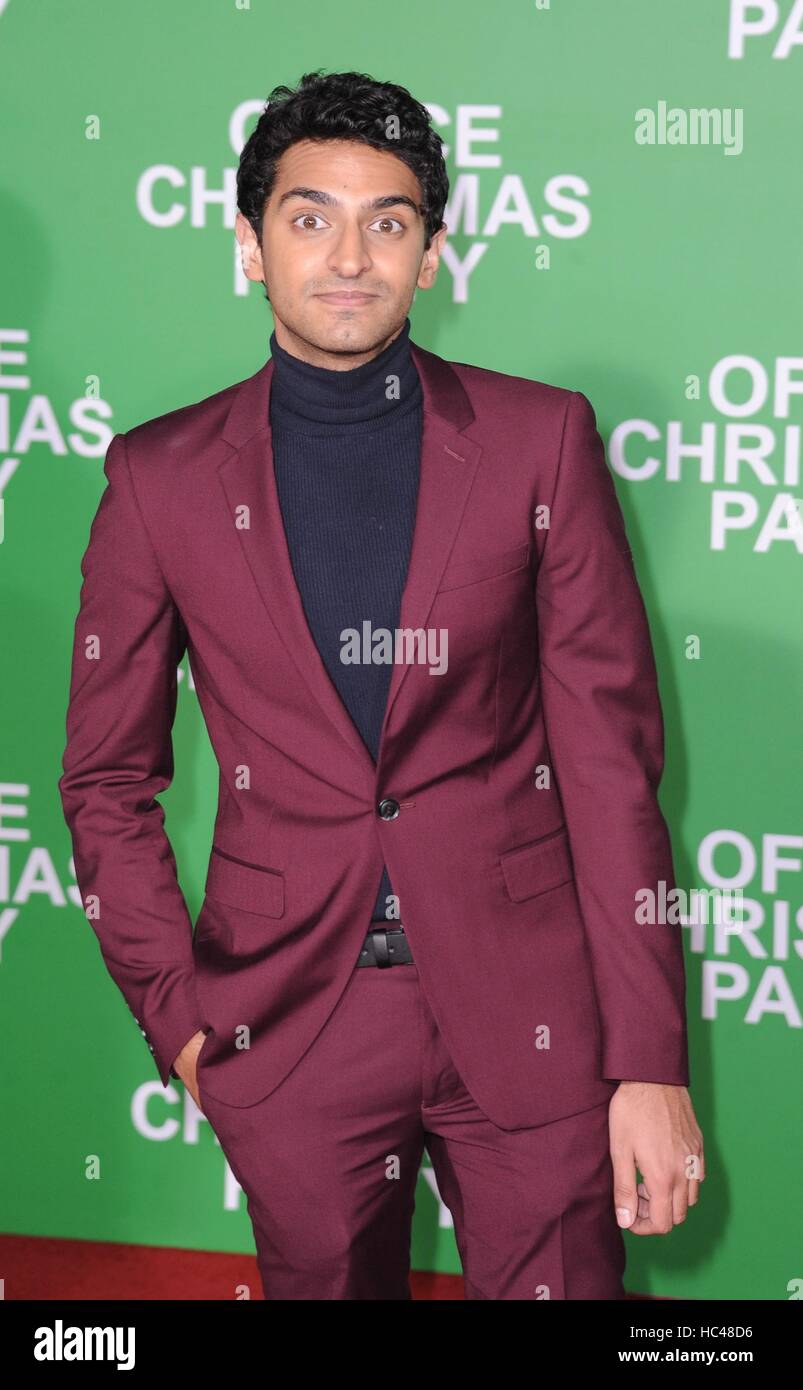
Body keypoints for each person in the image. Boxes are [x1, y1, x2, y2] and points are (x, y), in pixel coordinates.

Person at [59, 69, 704, 1300]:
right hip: (290, 1023)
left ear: (433, 251)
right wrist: (182, 1022)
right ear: (249, 245)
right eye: (309, 218)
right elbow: (105, 777)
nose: (349, 254)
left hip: (534, 1014)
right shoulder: (159, 478)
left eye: (389, 221)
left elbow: (615, 773)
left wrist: (648, 1059)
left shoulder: (539, 442)